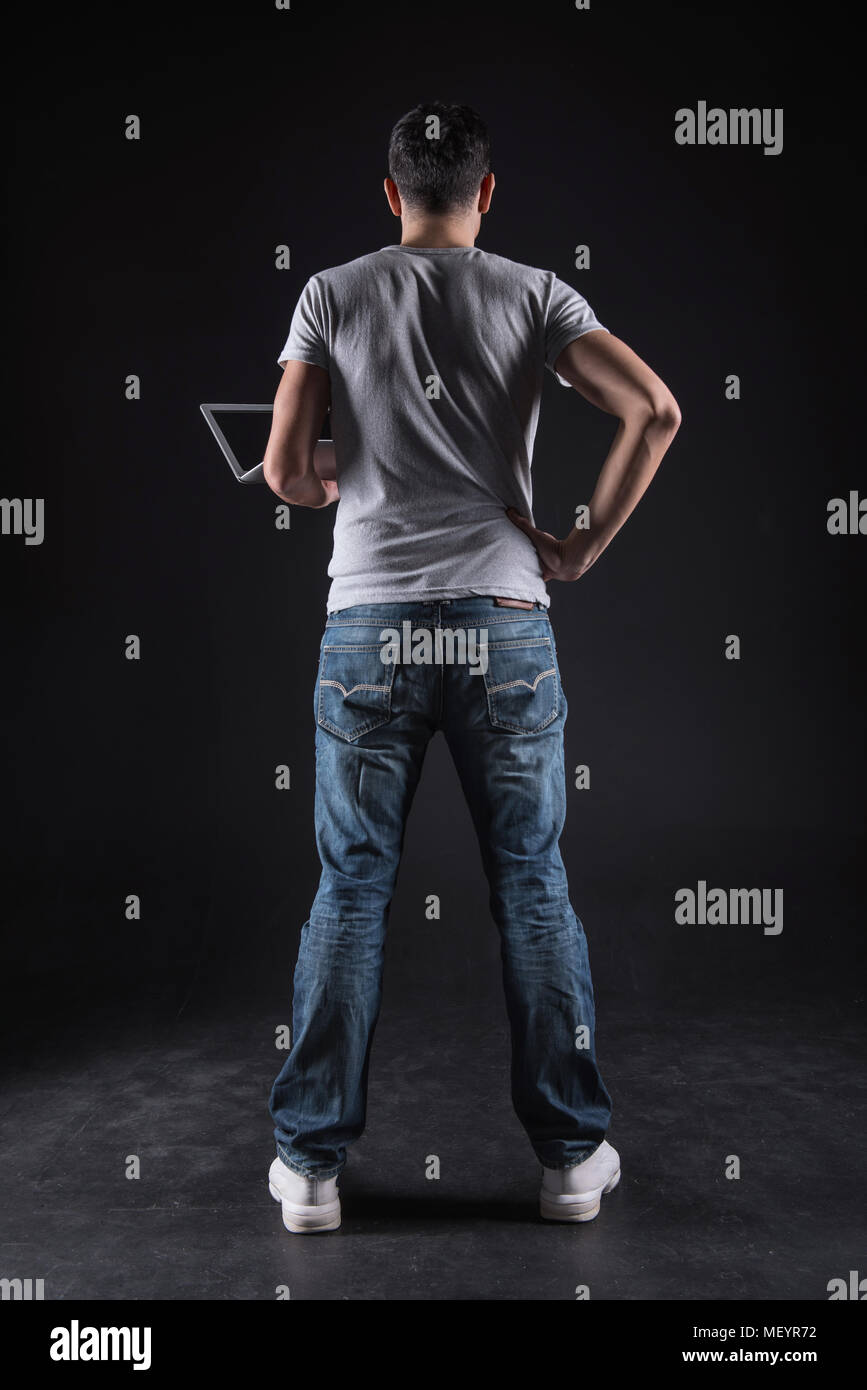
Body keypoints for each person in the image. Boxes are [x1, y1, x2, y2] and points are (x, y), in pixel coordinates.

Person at [263, 101, 681, 1234]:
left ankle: (309, 1168)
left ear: (387, 192)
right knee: (534, 888)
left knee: (349, 893)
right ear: (488, 194)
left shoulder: (331, 294)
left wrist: (358, 466)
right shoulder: (538, 293)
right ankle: (570, 1161)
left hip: (370, 632)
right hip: (505, 621)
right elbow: (654, 409)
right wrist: (580, 542)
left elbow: (285, 474)